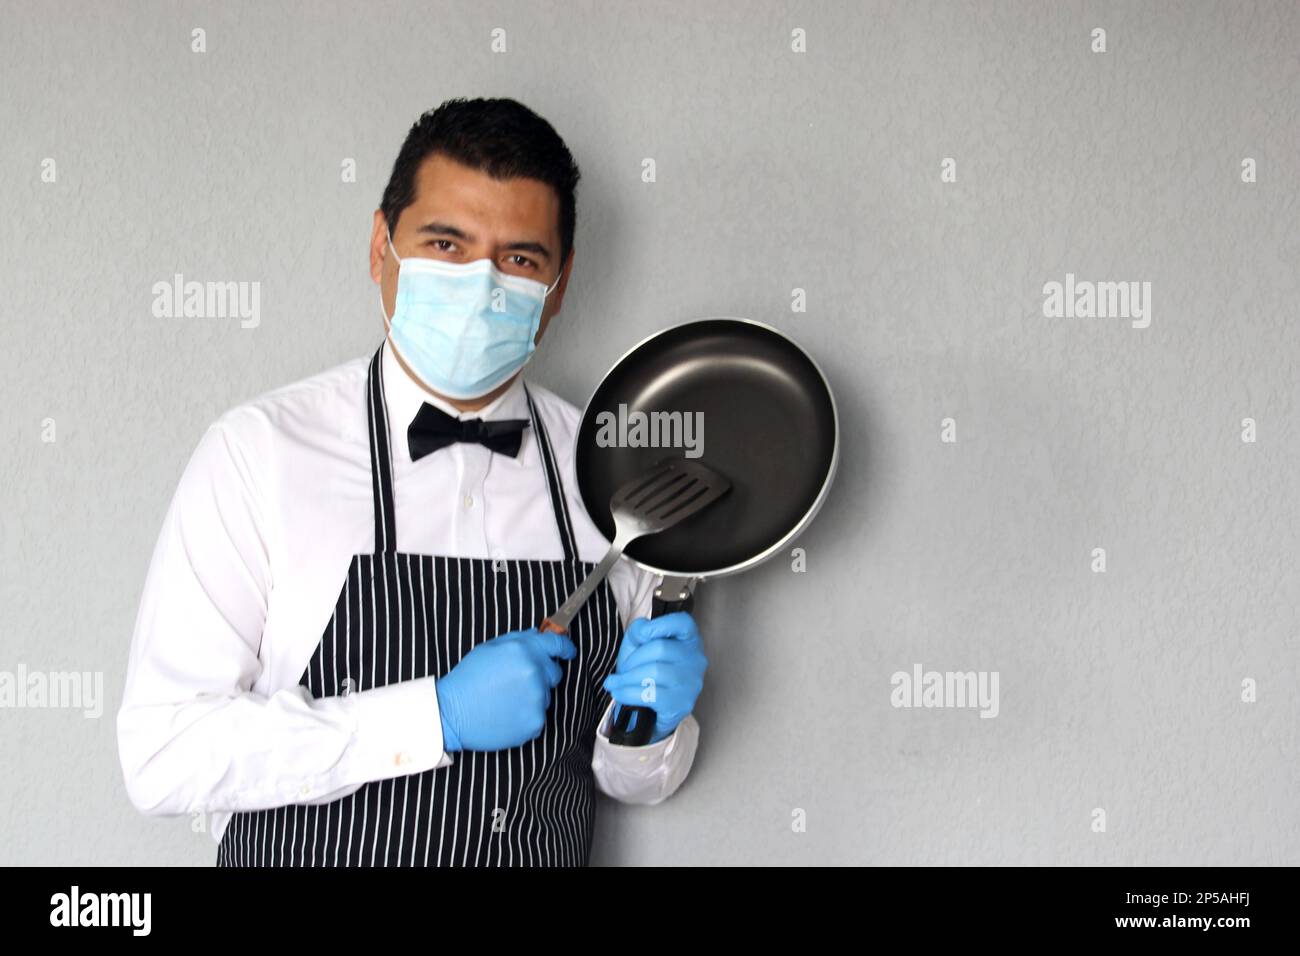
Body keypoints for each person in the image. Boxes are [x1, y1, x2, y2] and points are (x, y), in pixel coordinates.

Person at [117, 97, 707, 867]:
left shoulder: (608, 472)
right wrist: (435, 717)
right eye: (446, 244)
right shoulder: (260, 453)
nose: (480, 282)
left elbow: (627, 782)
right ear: (379, 247)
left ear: (558, 287)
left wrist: (652, 726)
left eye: (519, 258)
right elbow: (165, 754)